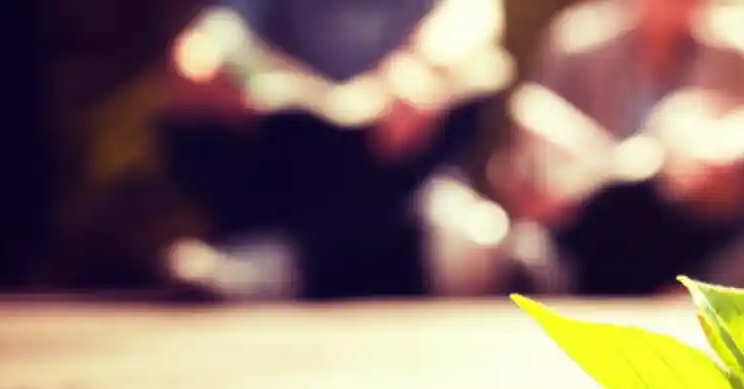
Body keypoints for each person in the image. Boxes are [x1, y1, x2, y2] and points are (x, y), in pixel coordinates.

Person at [159, 0, 512, 299]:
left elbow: (472, 13)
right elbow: (218, 30)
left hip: (408, 163)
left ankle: (283, 265)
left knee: (482, 71)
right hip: (303, 166)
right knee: (190, 112)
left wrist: (425, 67)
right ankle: (291, 259)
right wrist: (205, 56)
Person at [493, 0, 744, 295]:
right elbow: (533, 145)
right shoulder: (579, 40)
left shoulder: (739, 43)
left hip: (694, 231)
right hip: (591, 231)